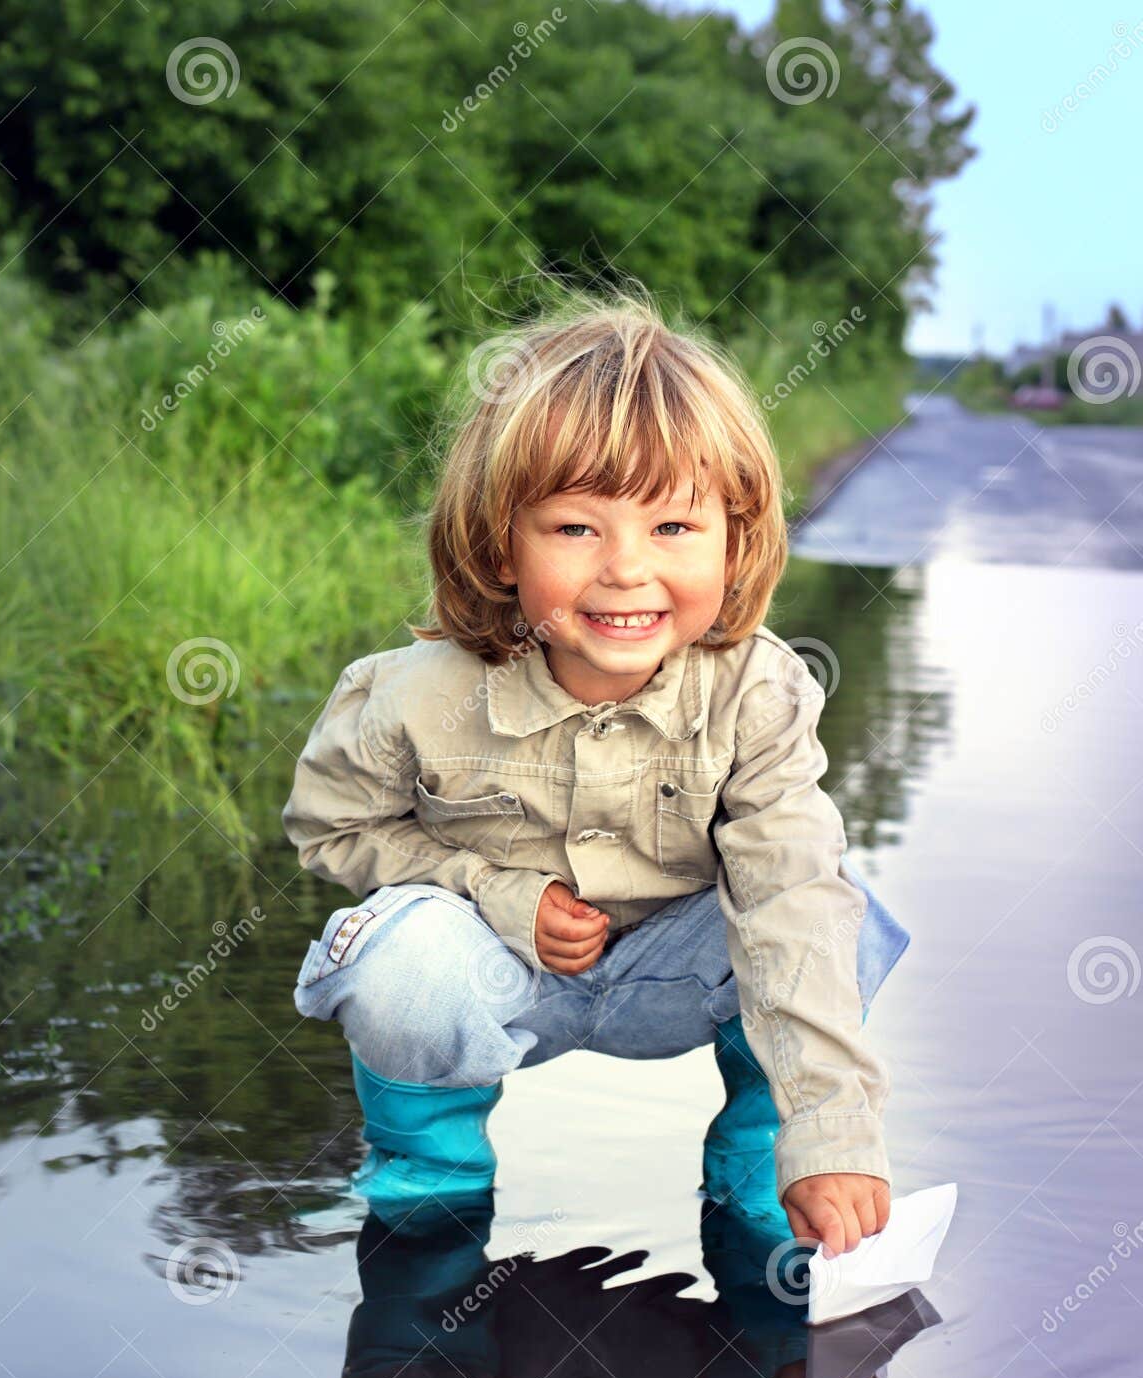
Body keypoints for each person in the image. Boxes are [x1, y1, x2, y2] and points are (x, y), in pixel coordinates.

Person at [281, 288, 910, 1256]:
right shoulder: (410, 696)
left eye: (673, 528)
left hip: (682, 975)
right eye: (576, 529)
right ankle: (430, 1193)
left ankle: (761, 1173)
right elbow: (332, 831)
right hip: (504, 975)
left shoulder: (757, 691)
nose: (625, 569)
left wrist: (833, 1129)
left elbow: (787, 886)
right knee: (395, 960)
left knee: (835, 914)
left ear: (735, 541)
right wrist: (492, 889)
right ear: (500, 545)